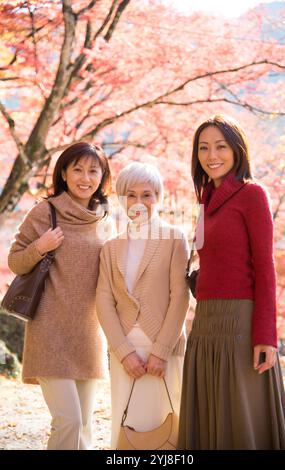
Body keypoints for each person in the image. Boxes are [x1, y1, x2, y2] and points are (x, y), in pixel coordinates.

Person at [177, 115, 285, 450]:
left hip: (240, 322)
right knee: (209, 417)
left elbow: (266, 269)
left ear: (236, 150)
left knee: (242, 420)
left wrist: (266, 337)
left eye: (220, 146)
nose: (211, 155)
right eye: (203, 148)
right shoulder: (205, 201)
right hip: (206, 322)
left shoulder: (252, 194)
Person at [7, 142, 114, 450]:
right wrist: (40, 246)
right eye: (77, 169)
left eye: (93, 170)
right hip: (49, 333)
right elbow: (15, 261)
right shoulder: (46, 212)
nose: (85, 177)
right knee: (68, 421)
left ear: (102, 176)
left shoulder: (105, 218)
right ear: (63, 173)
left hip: (89, 335)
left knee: (84, 427)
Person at [96, 162, 190, 449]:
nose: (138, 202)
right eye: (130, 195)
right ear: (121, 199)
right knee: (127, 426)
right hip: (125, 350)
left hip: (165, 348)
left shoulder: (175, 239)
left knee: (167, 425)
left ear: (158, 196)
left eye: (146, 194)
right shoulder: (111, 247)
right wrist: (124, 353)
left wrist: (160, 352)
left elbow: (180, 297)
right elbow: (103, 301)